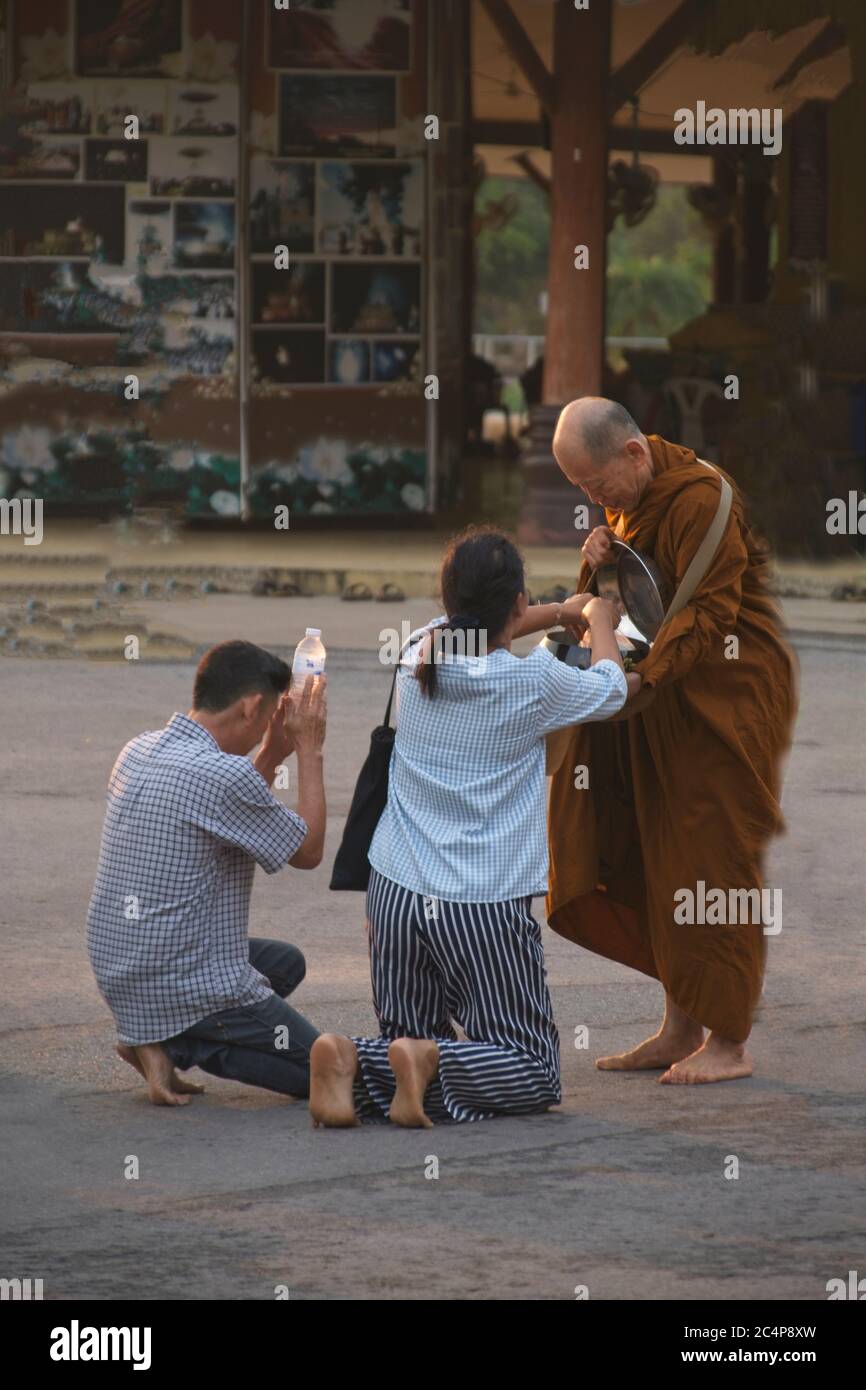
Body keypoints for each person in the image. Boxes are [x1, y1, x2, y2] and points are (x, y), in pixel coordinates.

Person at [309, 526, 637, 1128]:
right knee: (533, 1068)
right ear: (516, 604)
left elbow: (480, 624)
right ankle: (419, 1061)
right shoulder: (531, 683)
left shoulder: (419, 652)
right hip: (480, 903)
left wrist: (561, 609)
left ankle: (359, 1062)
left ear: (448, 601)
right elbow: (611, 689)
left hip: (396, 893)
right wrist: (599, 620)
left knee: (411, 1036)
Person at [548, 397, 797, 1084]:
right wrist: (594, 558)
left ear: (633, 453)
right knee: (657, 855)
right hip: (659, 698)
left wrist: (633, 682)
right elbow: (627, 600)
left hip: (722, 699)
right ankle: (680, 1025)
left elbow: (707, 614)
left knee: (710, 858)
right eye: (583, 493)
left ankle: (729, 1042)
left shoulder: (700, 499)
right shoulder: (635, 494)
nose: (596, 500)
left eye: (598, 486)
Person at [86, 640, 327, 1106]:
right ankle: (182, 1037)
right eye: (268, 719)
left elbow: (227, 807)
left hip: (123, 966)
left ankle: (152, 1031)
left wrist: (273, 753)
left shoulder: (138, 748)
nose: (262, 735)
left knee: (285, 963)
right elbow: (308, 849)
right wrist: (309, 749)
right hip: (175, 974)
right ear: (251, 707)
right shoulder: (222, 776)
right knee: (325, 1070)